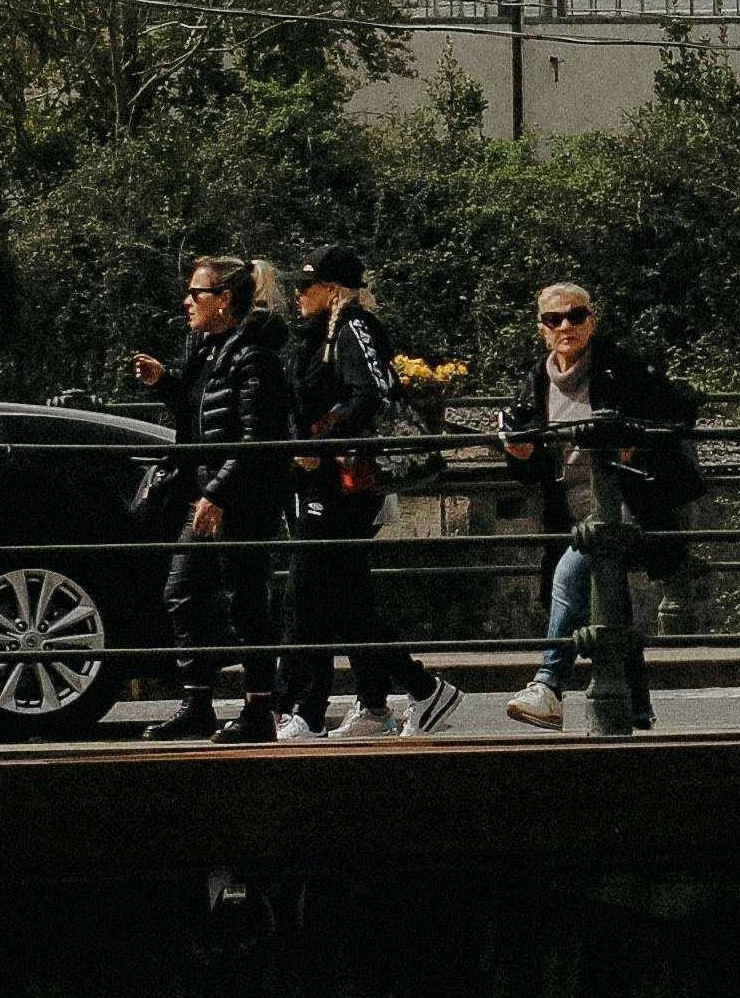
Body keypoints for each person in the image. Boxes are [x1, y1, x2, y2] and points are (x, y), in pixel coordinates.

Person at [495, 277, 705, 730]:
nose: (566, 325)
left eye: (575, 315)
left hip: (629, 506)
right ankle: (633, 703)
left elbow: (679, 410)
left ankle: (548, 686)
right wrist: (519, 453)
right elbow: (530, 464)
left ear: (592, 321)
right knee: (608, 600)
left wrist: (637, 442)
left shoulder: (618, 367)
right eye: (554, 319)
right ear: (542, 330)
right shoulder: (536, 381)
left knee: (575, 572)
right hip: (569, 513)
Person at [279, 240, 453, 739]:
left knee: (308, 590)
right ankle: (415, 691)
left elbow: (371, 393)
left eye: (305, 285)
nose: (297, 293)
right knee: (347, 600)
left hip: (344, 483)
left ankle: (308, 714)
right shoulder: (316, 335)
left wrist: (323, 444)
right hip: (323, 480)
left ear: (332, 290)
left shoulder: (353, 326)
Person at [131, 251, 295, 745]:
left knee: (245, 602)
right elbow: (199, 415)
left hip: (239, 498)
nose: (187, 302)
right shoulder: (208, 350)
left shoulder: (253, 356)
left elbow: (255, 436)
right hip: (207, 491)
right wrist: (166, 384)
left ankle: (258, 710)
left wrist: (218, 493)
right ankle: (196, 703)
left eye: (196, 293)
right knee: (182, 593)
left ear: (224, 300)